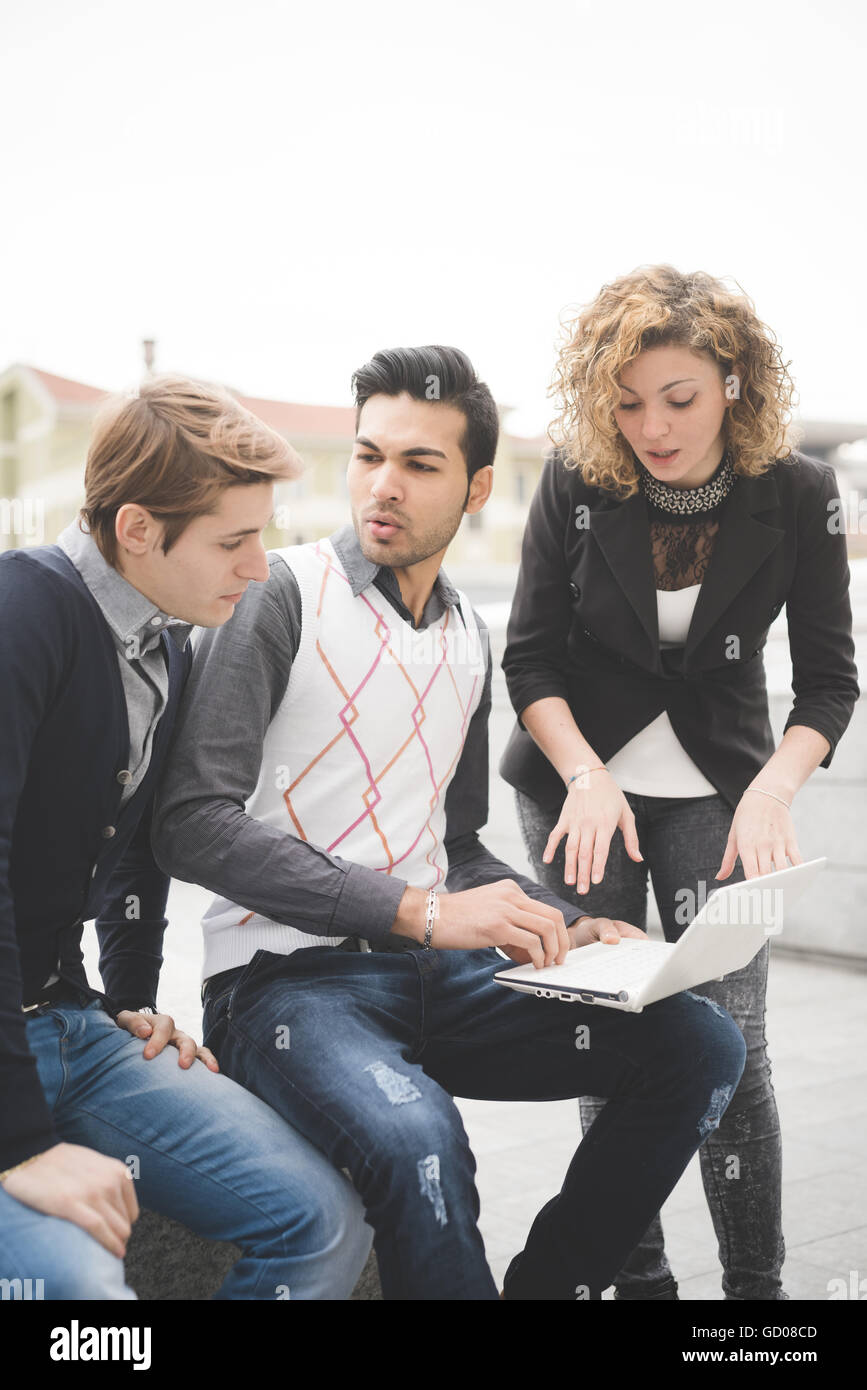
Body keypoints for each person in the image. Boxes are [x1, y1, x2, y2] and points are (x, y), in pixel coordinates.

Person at [153, 344, 746, 1301]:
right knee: (420, 1135)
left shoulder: (469, 639)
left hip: (439, 978)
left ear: (475, 490)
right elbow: (192, 825)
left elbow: (451, 843)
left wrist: (555, 916)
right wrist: (422, 913)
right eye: (367, 455)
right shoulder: (276, 596)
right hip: (285, 990)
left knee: (700, 1046)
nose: (381, 486)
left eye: (419, 465)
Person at [500, 265, 860, 1300]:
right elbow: (530, 660)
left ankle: (758, 1297)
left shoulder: (797, 492)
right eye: (625, 401)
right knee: (608, 1028)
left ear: (733, 383)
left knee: (731, 1042)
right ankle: (640, 1282)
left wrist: (777, 787)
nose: (651, 427)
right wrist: (585, 773)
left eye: (679, 398)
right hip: (579, 788)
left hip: (725, 786)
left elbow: (831, 681)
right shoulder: (576, 479)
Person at [0, 375, 371, 1300]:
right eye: (232, 541)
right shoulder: (21, 618)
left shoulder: (162, 643)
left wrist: (124, 1000)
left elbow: (126, 852)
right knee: (81, 1296)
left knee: (323, 1219)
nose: (258, 568)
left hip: (68, 1029)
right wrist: (20, 1143)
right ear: (136, 529)